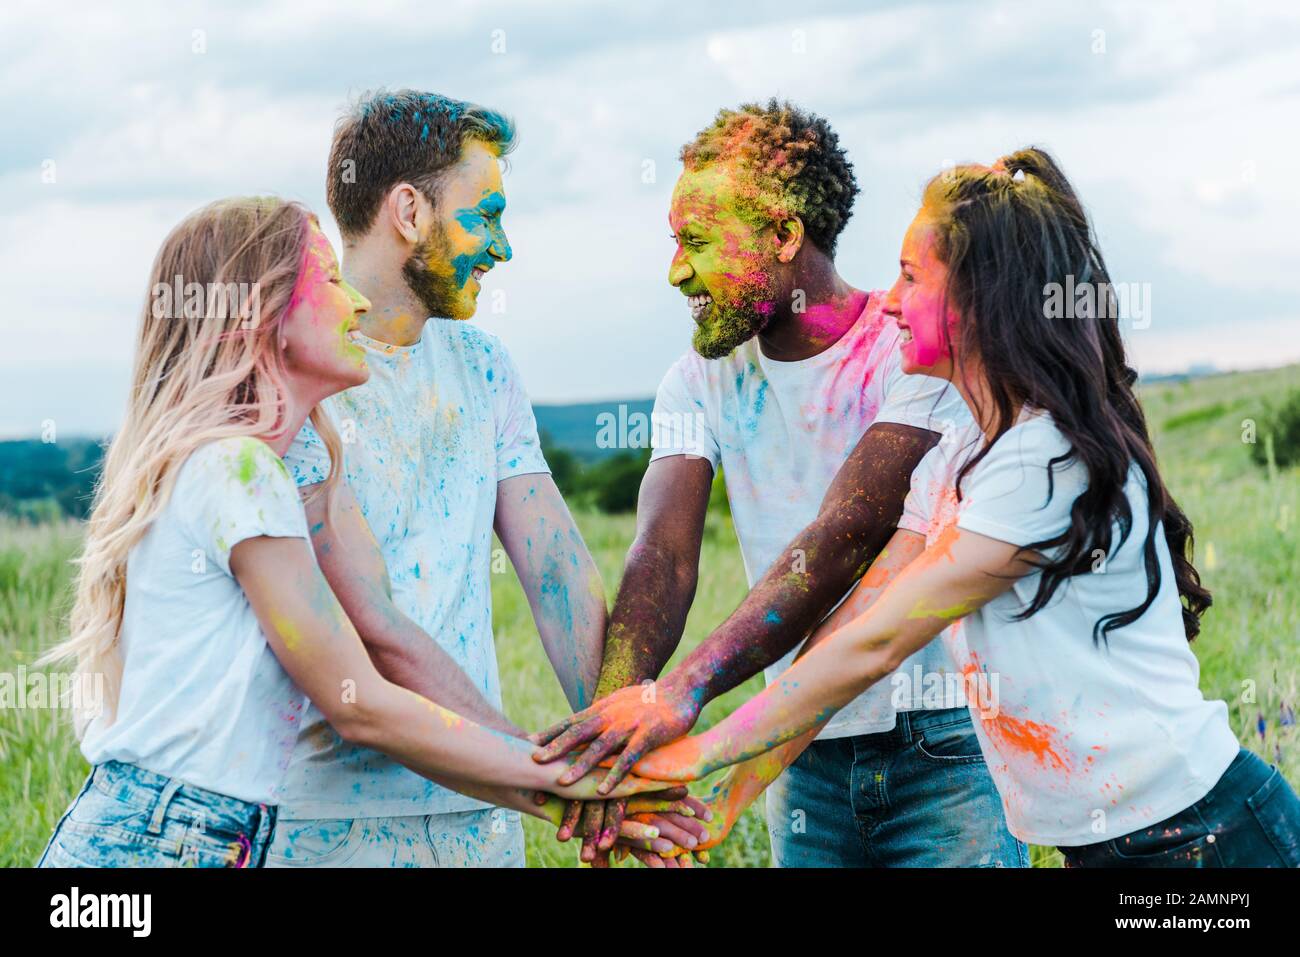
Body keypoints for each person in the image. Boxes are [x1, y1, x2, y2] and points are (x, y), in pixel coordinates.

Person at [632, 148, 1300, 867]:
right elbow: (846, 636)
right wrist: (735, 788)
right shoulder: (955, 460)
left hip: (1207, 837)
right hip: (1114, 847)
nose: (887, 300)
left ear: (979, 298)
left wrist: (693, 750)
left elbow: (881, 641)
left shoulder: (1042, 462)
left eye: (911, 277)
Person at [37, 198, 668, 868]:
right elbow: (361, 702)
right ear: (264, 313)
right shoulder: (237, 469)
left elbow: (382, 633)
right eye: (330, 281)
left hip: (198, 835)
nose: (355, 305)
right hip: (159, 841)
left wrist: (555, 787)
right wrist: (565, 779)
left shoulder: (263, 470)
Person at [535, 100, 1024, 867]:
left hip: (941, 744)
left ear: (785, 234)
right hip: (794, 753)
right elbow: (663, 556)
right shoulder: (697, 380)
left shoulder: (913, 352)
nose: (676, 270)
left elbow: (845, 535)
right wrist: (615, 740)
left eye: (697, 241)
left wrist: (684, 692)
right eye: (674, 242)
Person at [264, 90, 707, 868]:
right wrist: (571, 777)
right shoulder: (300, 375)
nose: (501, 248)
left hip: (480, 818)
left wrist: (612, 749)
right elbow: (376, 636)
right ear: (409, 210)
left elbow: (558, 572)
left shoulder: (484, 367)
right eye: (486, 215)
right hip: (327, 825)